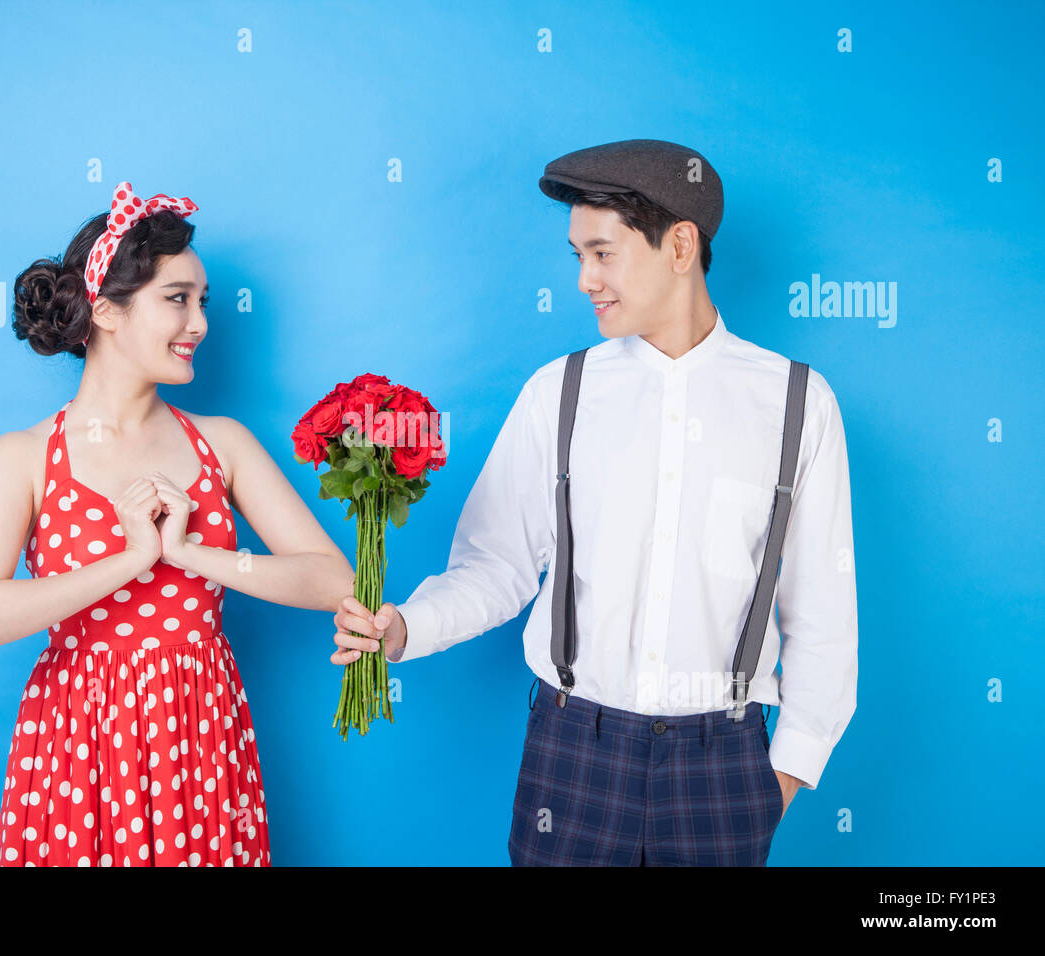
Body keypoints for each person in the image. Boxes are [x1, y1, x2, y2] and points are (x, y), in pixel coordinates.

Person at [331, 140, 858, 866]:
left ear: (680, 246)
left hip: (725, 765)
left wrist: (779, 780)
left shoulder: (798, 403)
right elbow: (497, 565)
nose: (585, 279)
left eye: (602, 253)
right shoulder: (561, 392)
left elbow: (824, 616)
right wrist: (403, 628)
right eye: (577, 255)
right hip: (572, 754)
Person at [0, 181, 355, 866]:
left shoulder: (223, 444)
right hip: (79, 747)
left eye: (202, 302)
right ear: (105, 311)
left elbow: (333, 579)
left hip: (199, 737)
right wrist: (128, 561)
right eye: (176, 299)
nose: (198, 323)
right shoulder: (24, 456)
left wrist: (189, 553)